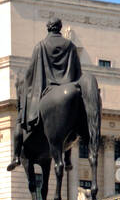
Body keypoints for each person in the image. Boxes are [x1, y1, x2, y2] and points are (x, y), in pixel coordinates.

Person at [8, 16, 83, 170]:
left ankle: (15, 157)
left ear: (48, 28)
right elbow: (78, 72)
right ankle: (68, 159)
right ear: (60, 28)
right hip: (70, 86)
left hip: (46, 89)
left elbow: (31, 73)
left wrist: (25, 89)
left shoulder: (40, 46)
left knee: (19, 124)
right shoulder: (70, 46)